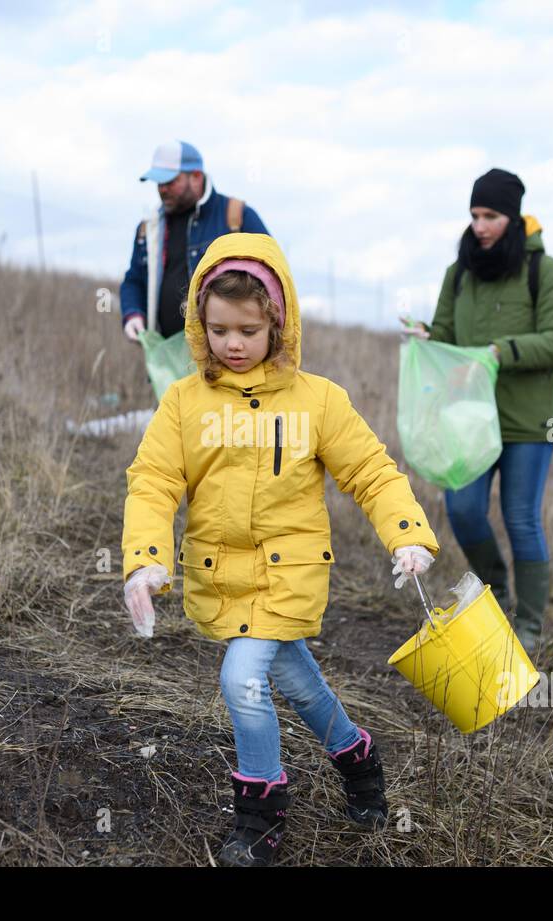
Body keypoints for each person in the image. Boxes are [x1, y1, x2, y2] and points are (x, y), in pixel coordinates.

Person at [120, 232, 439, 866]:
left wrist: (408, 535)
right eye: (217, 330)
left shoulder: (317, 401)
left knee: (242, 680)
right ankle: (357, 758)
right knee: (295, 679)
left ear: (279, 324)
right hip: (221, 573)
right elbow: (154, 481)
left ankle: (261, 813)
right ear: (198, 324)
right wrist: (145, 560)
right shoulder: (185, 402)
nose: (232, 344)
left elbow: (372, 473)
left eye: (247, 329)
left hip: (289, 573)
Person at [402, 168, 553, 651]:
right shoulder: (457, 274)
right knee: (461, 508)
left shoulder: (547, 272)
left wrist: (501, 351)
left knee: (521, 518)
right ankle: (496, 591)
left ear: (513, 217)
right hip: (469, 418)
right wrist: (426, 337)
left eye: (492, 216)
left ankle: (531, 627)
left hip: (529, 419)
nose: (480, 225)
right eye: (475, 215)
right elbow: (447, 336)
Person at [119, 140, 268, 343]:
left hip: (225, 357)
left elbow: (272, 276)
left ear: (196, 177)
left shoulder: (237, 217)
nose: (162, 189)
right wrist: (133, 314)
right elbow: (133, 280)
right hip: (165, 359)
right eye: (159, 183)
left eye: (170, 182)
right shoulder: (148, 228)